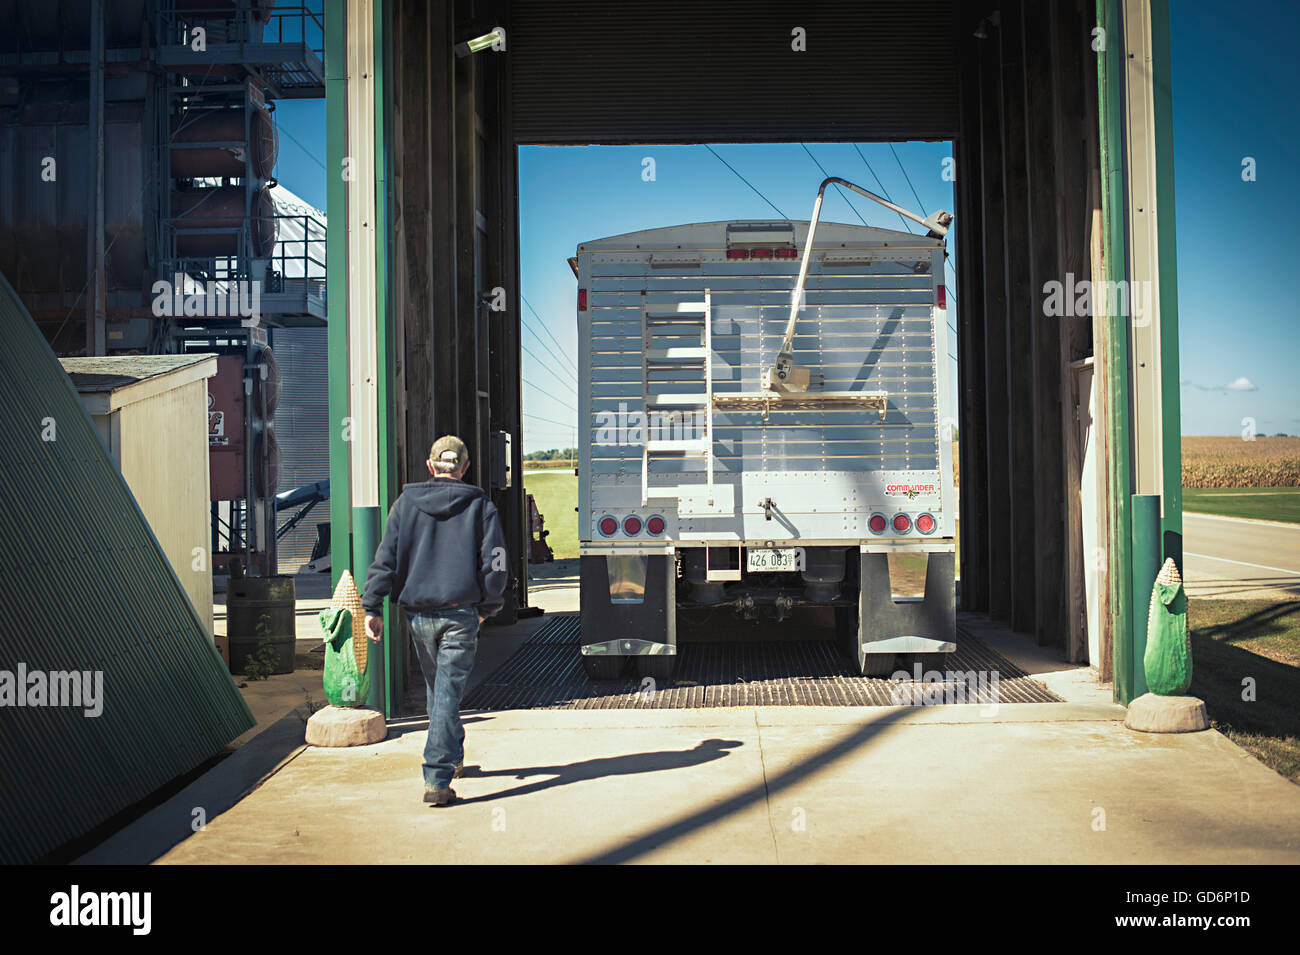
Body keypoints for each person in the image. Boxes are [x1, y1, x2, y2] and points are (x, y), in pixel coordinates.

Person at [363, 435, 508, 806]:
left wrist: (372, 607)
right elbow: (495, 562)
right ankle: (437, 777)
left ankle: (453, 757)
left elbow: (386, 557)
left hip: (418, 615)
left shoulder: (405, 503)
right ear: (464, 468)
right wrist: (485, 608)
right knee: (444, 691)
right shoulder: (480, 505)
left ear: (430, 467)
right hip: (460, 613)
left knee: (440, 690)